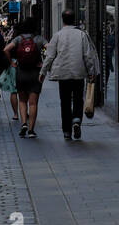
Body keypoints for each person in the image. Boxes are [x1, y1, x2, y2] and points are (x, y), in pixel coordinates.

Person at [40, 9, 99, 141]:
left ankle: (66, 131)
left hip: (63, 74)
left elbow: (49, 56)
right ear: (74, 20)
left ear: (62, 20)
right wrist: (91, 72)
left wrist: (43, 72)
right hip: (78, 73)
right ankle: (77, 120)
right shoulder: (82, 35)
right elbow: (88, 56)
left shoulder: (57, 35)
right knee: (78, 98)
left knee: (65, 102)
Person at [5, 17, 47, 139]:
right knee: (33, 103)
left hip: (21, 72)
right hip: (35, 73)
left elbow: (6, 50)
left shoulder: (19, 39)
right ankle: (31, 130)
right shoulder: (39, 39)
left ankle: (23, 123)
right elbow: (49, 47)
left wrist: (12, 63)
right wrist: (44, 63)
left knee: (22, 100)